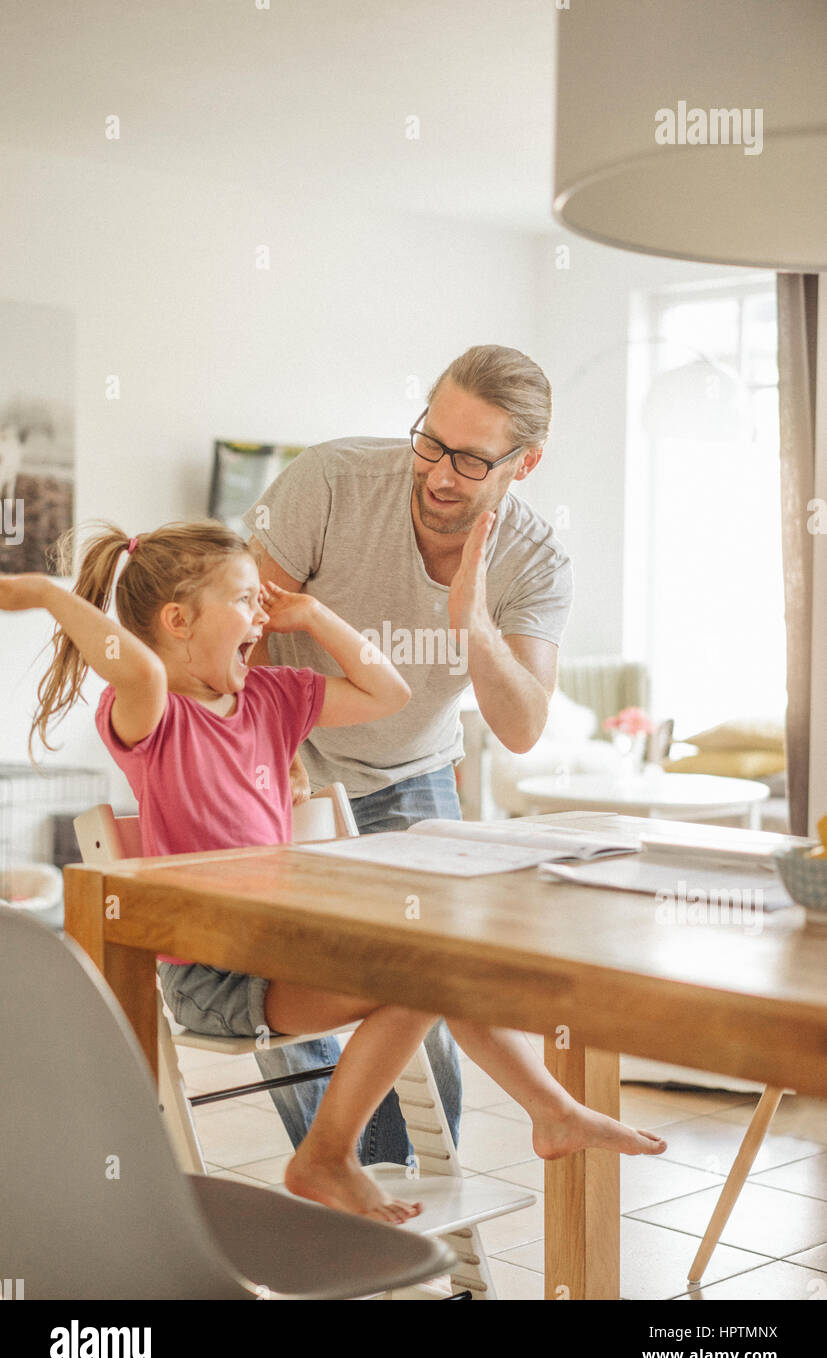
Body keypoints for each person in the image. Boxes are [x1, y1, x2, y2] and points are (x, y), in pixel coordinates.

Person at [8, 520, 666, 1227]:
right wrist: (47, 593)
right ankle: (326, 1156)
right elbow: (136, 665)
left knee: (442, 961)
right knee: (418, 975)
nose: (260, 614)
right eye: (243, 600)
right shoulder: (150, 712)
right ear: (176, 622)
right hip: (216, 974)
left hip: (281, 948)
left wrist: (313, 613)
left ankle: (551, 1109)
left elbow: (388, 692)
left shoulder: (269, 697)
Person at [244, 344, 574, 1166]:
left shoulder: (534, 559)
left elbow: (522, 725)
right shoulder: (330, 483)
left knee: (430, 993)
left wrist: (473, 617)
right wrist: (259, 756)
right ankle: (350, 1200)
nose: (437, 474)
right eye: (430, 441)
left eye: (471, 459)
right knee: (298, 1008)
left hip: (415, 778)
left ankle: (416, 1226)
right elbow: (242, 628)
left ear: (524, 463)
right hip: (293, 766)